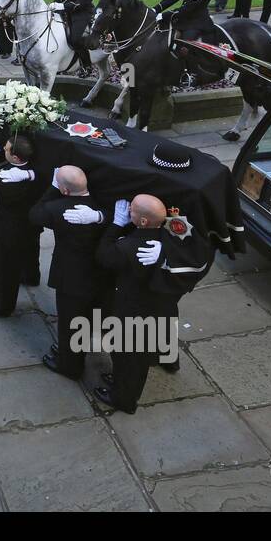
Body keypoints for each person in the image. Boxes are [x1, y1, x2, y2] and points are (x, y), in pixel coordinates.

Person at [93, 194, 173, 414]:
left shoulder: (127, 247)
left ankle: (123, 399)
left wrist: (117, 224)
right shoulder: (167, 239)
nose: (129, 212)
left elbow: (103, 256)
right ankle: (120, 381)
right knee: (131, 357)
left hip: (132, 310)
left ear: (143, 221)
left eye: (132, 211)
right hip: (152, 307)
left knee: (129, 358)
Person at [32, 166, 113, 379]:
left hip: (71, 275)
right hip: (101, 272)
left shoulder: (58, 208)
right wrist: (100, 216)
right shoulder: (103, 203)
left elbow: (35, 214)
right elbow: (117, 216)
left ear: (65, 191)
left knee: (70, 322)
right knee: (92, 313)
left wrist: (52, 187)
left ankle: (70, 366)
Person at [0, 132, 45, 316]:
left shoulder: (6, 178)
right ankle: (30, 275)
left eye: (7, 149)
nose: (4, 149)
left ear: (15, 157)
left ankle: (2, 304)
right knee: (31, 245)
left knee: (6, 263)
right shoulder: (38, 170)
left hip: (10, 227)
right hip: (31, 221)